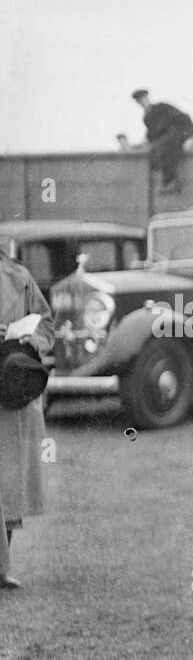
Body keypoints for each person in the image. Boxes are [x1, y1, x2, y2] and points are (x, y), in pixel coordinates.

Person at [0, 252, 54, 591]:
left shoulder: (19, 277)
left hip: (12, 389)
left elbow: (46, 323)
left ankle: (1, 570)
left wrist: (28, 337)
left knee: (10, 485)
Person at [131, 89, 193, 195]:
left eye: (143, 99)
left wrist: (190, 136)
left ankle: (172, 182)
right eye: (139, 101)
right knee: (158, 147)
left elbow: (183, 118)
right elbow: (152, 134)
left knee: (165, 146)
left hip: (178, 133)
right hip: (166, 139)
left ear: (147, 98)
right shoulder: (146, 118)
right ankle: (167, 181)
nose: (142, 102)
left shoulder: (162, 107)